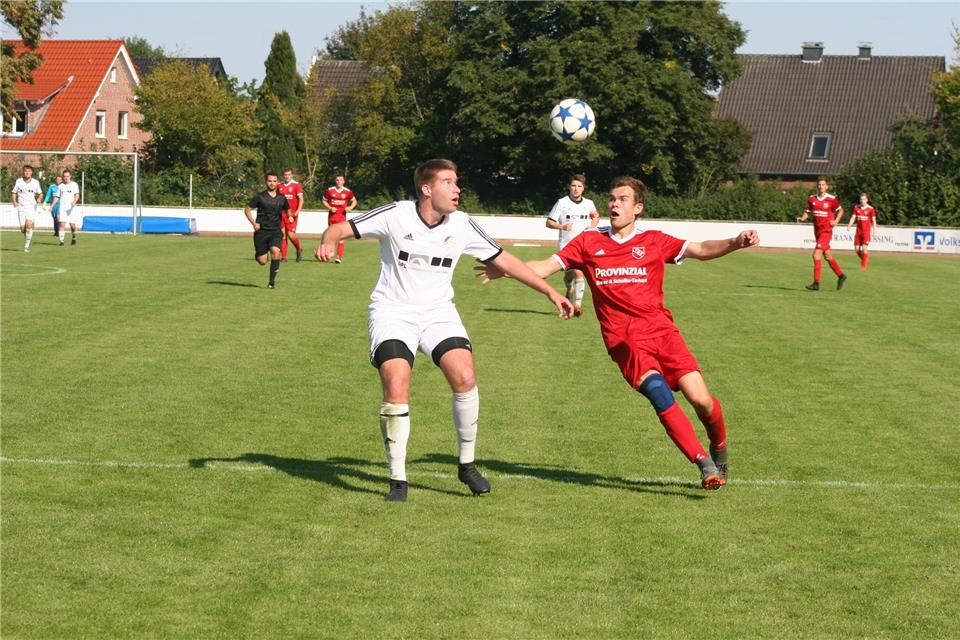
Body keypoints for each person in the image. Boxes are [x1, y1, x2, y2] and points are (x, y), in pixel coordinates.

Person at [315, 159, 573, 502]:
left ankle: (467, 464)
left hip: (438, 313)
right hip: (393, 312)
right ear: (427, 189)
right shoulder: (396, 214)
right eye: (449, 183)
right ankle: (398, 478)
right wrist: (328, 241)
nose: (457, 189)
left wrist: (550, 291)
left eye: (457, 182)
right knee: (396, 380)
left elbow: (504, 260)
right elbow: (340, 228)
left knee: (465, 376)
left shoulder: (463, 224)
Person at [479, 177, 760, 490]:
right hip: (625, 342)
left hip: (664, 334)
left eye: (623, 199)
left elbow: (700, 248)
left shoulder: (654, 240)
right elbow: (545, 266)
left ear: (638, 208)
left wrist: (736, 242)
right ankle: (704, 464)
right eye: (612, 199)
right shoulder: (587, 243)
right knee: (658, 394)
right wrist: (504, 268)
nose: (614, 204)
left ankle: (718, 447)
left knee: (702, 401)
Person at [546, 173, 600, 316]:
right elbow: (549, 222)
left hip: (582, 245)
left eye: (579, 186)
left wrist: (592, 226)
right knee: (569, 276)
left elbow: (595, 216)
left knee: (579, 272)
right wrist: (562, 227)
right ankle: (569, 288)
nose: (576, 189)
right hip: (566, 245)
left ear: (583, 188)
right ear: (569, 187)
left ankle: (577, 304)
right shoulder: (562, 202)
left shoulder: (589, 204)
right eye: (574, 186)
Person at [796, 177, 846, 291]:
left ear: (826, 186)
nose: (821, 186)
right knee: (827, 256)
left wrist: (836, 221)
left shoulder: (832, 199)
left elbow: (841, 210)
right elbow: (807, 212)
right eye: (819, 184)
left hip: (826, 231)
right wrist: (802, 218)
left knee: (816, 255)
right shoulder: (812, 199)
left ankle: (816, 283)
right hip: (817, 231)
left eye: (823, 184)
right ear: (817, 186)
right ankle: (841, 276)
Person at [244, 171, 290, 289]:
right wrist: (254, 223)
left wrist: (290, 216)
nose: (272, 183)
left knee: (276, 252)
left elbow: (287, 209)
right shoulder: (260, 197)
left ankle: (271, 282)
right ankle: (259, 255)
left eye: (274, 181)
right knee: (263, 261)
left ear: (277, 182)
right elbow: (247, 209)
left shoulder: (282, 198)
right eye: (270, 181)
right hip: (262, 232)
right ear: (266, 182)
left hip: (275, 231)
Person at [322, 172, 357, 263]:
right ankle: (328, 255)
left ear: (344, 181)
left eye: (341, 180)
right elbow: (324, 201)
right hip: (332, 218)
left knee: (341, 238)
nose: (339, 182)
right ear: (335, 181)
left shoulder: (348, 191)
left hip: (342, 218)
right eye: (337, 180)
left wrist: (350, 207)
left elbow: (354, 201)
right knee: (331, 237)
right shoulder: (330, 190)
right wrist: (330, 207)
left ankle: (339, 257)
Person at [11, 165, 43, 252]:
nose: (27, 172)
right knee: (22, 229)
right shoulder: (19, 181)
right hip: (21, 206)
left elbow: (40, 193)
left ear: (32, 172)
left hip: (31, 206)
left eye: (29, 171)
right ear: (23, 172)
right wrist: (14, 202)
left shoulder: (35, 182)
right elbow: (14, 193)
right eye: (25, 171)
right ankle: (29, 235)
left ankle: (26, 246)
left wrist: (39, 198)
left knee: (29, 224)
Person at [277, 167, 305, 262]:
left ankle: (298, 249)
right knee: (282, 234)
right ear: (283, 175)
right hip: (281, 214)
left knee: (291, 235)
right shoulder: (279, 186)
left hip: (291, 214)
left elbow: (301, 199)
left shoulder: (296, 185)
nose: (287, 176)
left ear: (292, 175)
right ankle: (284, 257)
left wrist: (297, 211)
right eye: (285, 175)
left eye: (289, 175)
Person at [847, 193, 877, 271]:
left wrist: (874, 231)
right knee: (856, 249)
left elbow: (873, 221)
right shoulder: (856, 208)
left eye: (864, 199)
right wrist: (849, 225)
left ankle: (864, 265)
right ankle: (865, 259)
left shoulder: (871, 209)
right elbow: (853, 217)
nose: (862, 201)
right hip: (858, 232)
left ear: (867, 200)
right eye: (861, 199)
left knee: (864, 248)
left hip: (866, 232)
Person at [51, 170, 81, 247]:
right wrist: (52, 206)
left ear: (70, 176)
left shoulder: (74, 185)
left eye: (67, 176)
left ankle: (74, 237)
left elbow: (77, 195)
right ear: (63, 177)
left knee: (72, 225)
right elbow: (57, 197)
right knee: (62, 224)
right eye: (64, 176)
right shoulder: (60, 186)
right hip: (63, 208)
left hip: (71, 208)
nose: (66, 178)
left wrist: (74, 201)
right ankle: (61, 241)